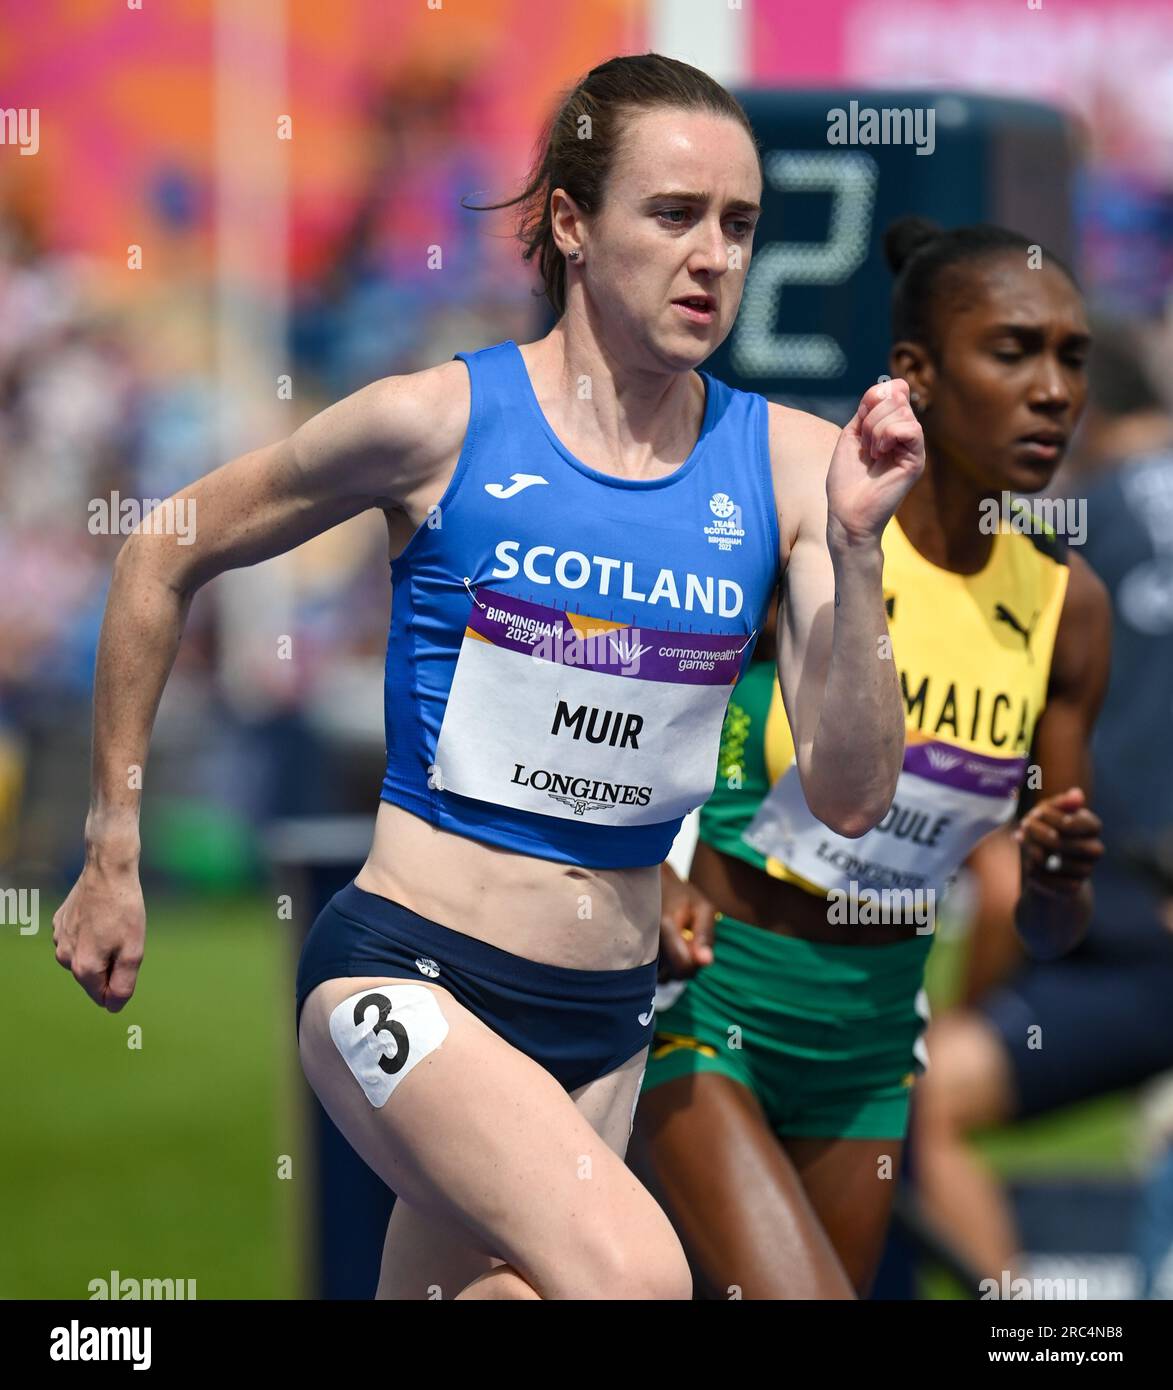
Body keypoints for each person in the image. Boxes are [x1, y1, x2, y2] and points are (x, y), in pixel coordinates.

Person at [50, 53, 924, 1301]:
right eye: (673, 215)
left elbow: (848, 795)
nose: (715, 257)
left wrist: (856, 545)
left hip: (607, 1020)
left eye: (739, 225)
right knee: (632, 1277)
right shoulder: (437, 423)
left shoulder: (796, 468)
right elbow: (160, 549)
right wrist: (112, 839)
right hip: (408, 972)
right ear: (571, 222)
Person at [630, 217, 1112, 1299]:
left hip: (875, 1050)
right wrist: (641, 870)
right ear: (918, 375)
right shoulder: (813, 530)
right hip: (716, 1005)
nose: (1052, 389)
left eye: (1072, 358)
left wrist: (1052, 880)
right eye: (1014, 350)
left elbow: (1053, 927)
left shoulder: (1067, 610)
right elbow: (618, 704)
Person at [912, 318, 1173, 1285]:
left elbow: (1004, 847)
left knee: (916, 1097)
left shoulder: (1062, 549)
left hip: (1122, 945)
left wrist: (982, 995)